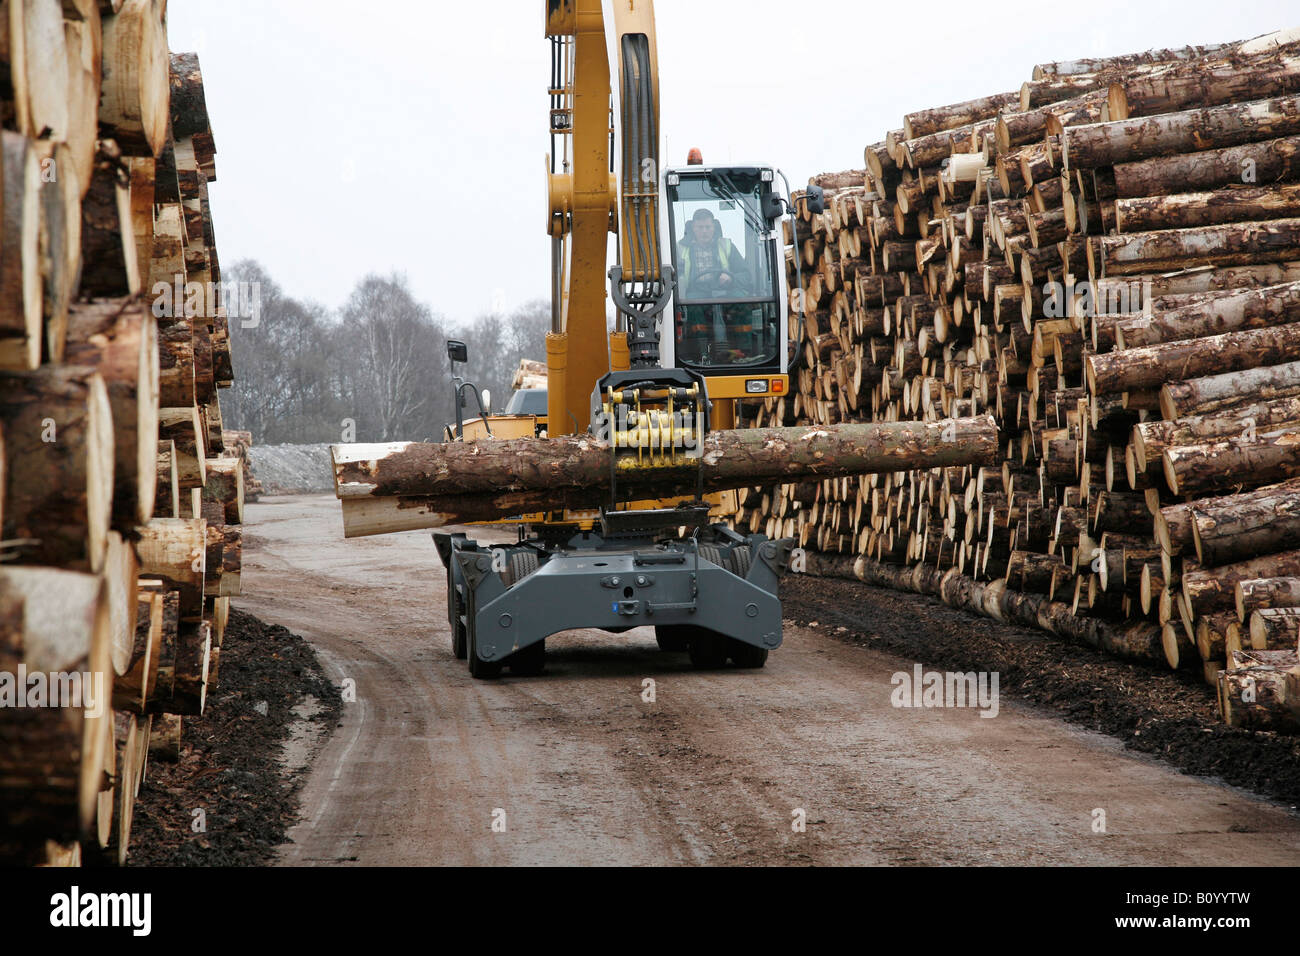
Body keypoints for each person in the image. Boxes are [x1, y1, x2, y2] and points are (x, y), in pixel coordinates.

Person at [676, 209, 753, 362]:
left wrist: (730, 279)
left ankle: (742, 352)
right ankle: (703, 353)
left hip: (724, 292)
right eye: (700, 227)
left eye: (708, 227)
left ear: (714, 227)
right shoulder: (679, 248)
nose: (704, 231)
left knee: (741, 301)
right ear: (693, 228)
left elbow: (746, 275)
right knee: (693, 305)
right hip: (695, 293)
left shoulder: (727, 245)